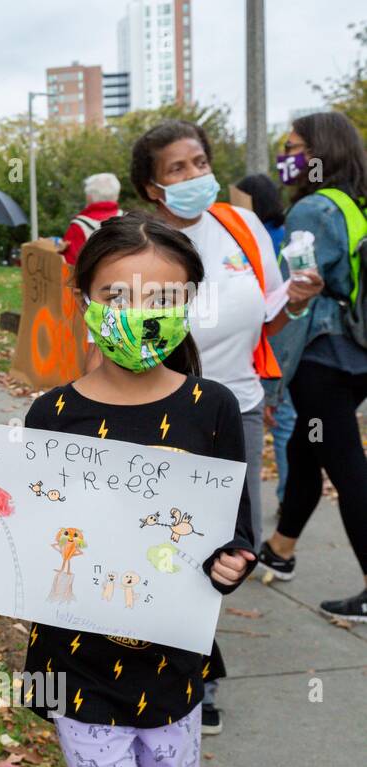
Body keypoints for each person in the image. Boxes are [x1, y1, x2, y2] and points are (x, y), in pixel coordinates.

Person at [0, 214, 256, 767]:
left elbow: (237, 532)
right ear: (84, 300)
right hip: (76, 668)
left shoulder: (212, 406)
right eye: (117, 296)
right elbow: (13, 531)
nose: (140, 314)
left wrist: (233, 562)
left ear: (191, 299)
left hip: (172, 668)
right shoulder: (52, 413)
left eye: (162, 298)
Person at [125, 120, 323, 733]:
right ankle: (192, 670)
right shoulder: (138, 243)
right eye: (177, 169)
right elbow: (112, 331)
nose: (194, 176)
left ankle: (191, 656)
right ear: (154, 187)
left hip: (235, 405)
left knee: (232, 543)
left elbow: (267, 315)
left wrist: (294, 300)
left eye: (199, 162)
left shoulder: (241, 228)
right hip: (159, 407)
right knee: (168, 540)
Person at [257, 111, 367, 623]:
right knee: (306, 449)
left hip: (322, 354)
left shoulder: (311, 210)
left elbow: (296, 301)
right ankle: (280, 549)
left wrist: (274, 375)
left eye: (294, 145)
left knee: (347, 468)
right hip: (358, 352)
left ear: (319, 151)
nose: (286, 154)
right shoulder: (352, 203)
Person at [234, 173, 295, 502]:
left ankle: (287, 497)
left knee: (282, 419)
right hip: (286, 341)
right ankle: (289, 496)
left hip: (269, 344)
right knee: (287, 421)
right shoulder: (283, 234)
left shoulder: (254, 239)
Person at [61, 172, 123, 266]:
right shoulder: (131, 220)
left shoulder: (78, 227)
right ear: (117, 195)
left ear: (89, 197)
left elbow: (70, 267)